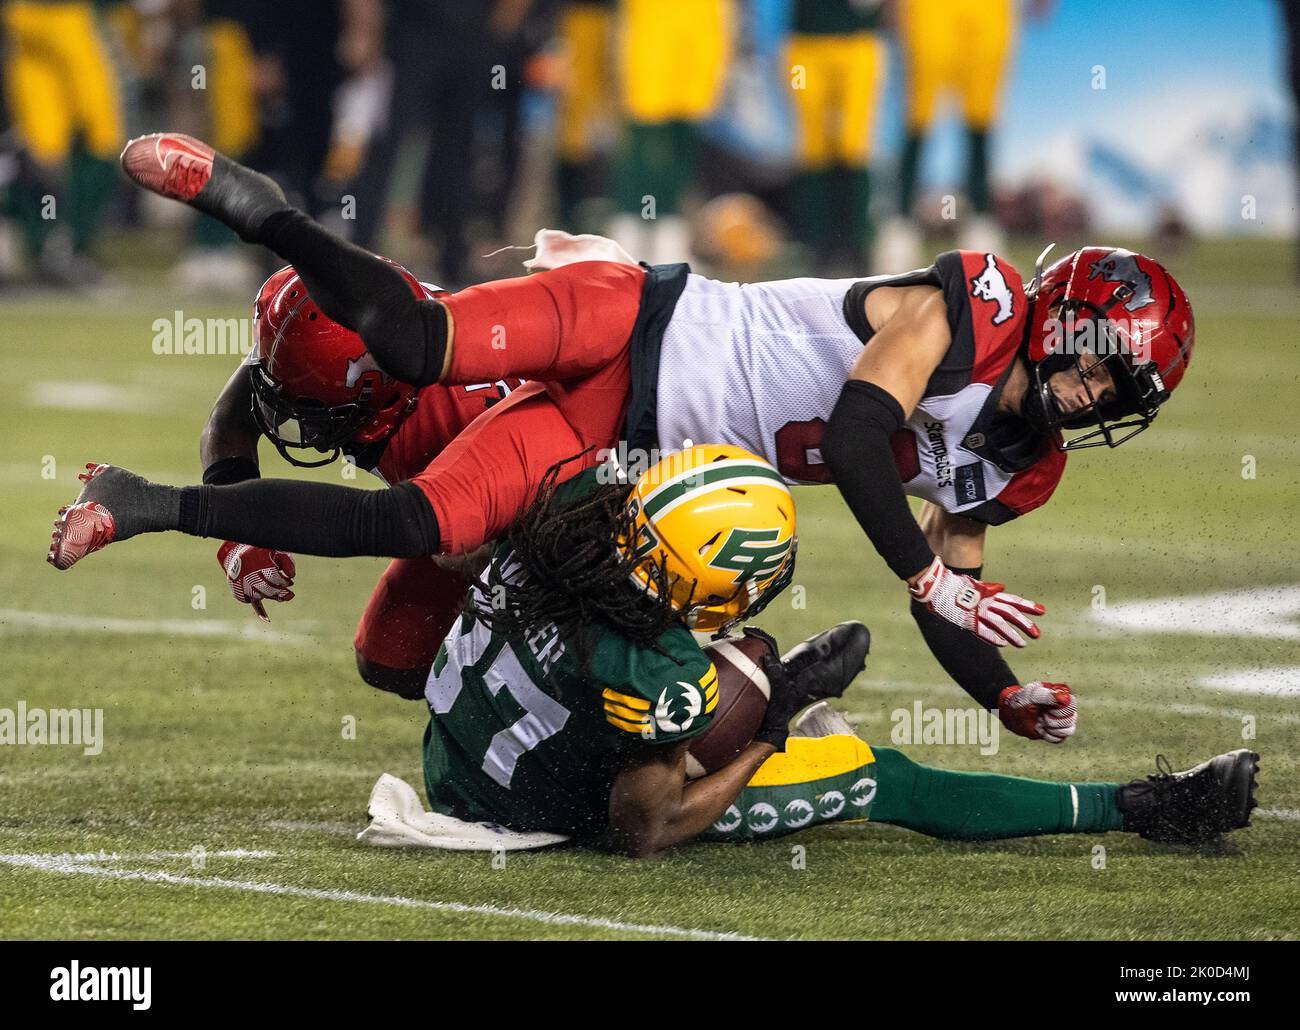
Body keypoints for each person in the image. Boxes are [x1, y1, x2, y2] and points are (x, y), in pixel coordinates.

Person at [53, 131, 1195, 748]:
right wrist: (924, 576)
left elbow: (948, 590)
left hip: (626, 436)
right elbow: (856, 438)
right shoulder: (980, 305)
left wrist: (997, 693)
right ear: (1063, 317)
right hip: (645, 315)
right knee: (410, 342)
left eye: (1117, 386)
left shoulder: (1019, 464)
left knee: (418, 520)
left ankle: (141, 498)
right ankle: (255, 203)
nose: (1093, 392)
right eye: (1097, 358)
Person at [376, 446, 1257, 854]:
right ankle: (1141, 808)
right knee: (880, 774)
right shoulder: (660, 671)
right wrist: (774, 716)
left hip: (456, 751)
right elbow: (648, 828)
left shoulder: (567, 503)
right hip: (531, 808)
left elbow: (459, 548)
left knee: (738, 670)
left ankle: (770, 699)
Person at [200, 263, 520, 697]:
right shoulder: (344, 325)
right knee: (393, 657)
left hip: (567, 519)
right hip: (462, 498)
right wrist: (238, 534)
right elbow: (231, 422)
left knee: (527, 654)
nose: (297, 423)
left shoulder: (460, 425)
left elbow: (549, 527)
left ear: (381, 391)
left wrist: (474, 547)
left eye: (313, 408)